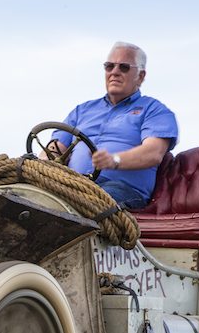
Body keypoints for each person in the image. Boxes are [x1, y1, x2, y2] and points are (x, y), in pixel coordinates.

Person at [51, 41, 178, 209]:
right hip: (73, 183)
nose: (115, 72)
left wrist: (114, 160)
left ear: (140, 76)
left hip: (121, 189)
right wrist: (41, 163)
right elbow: (55, 148)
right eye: (109, 66)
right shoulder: (82, 110)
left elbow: (153, 153)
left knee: (83, 204)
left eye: (124, 67)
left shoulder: (154, 110)